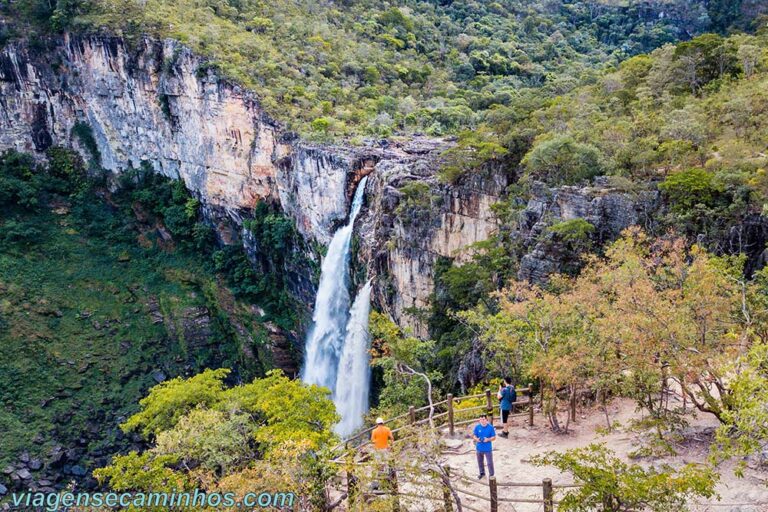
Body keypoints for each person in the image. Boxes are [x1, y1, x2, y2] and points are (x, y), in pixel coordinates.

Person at [472, 413, 496, 479]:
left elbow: (494, 437)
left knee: (489, 463)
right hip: (479, 448)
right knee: (480, 462)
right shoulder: (477, 427)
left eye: (483, 419)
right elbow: (474, 435)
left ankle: (491, 475)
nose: (482, 421)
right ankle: (482, 473)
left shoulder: (490, 427)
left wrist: (488, 439)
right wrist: (476, 439)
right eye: (481, 419)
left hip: (488, 448)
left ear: (486, 420)